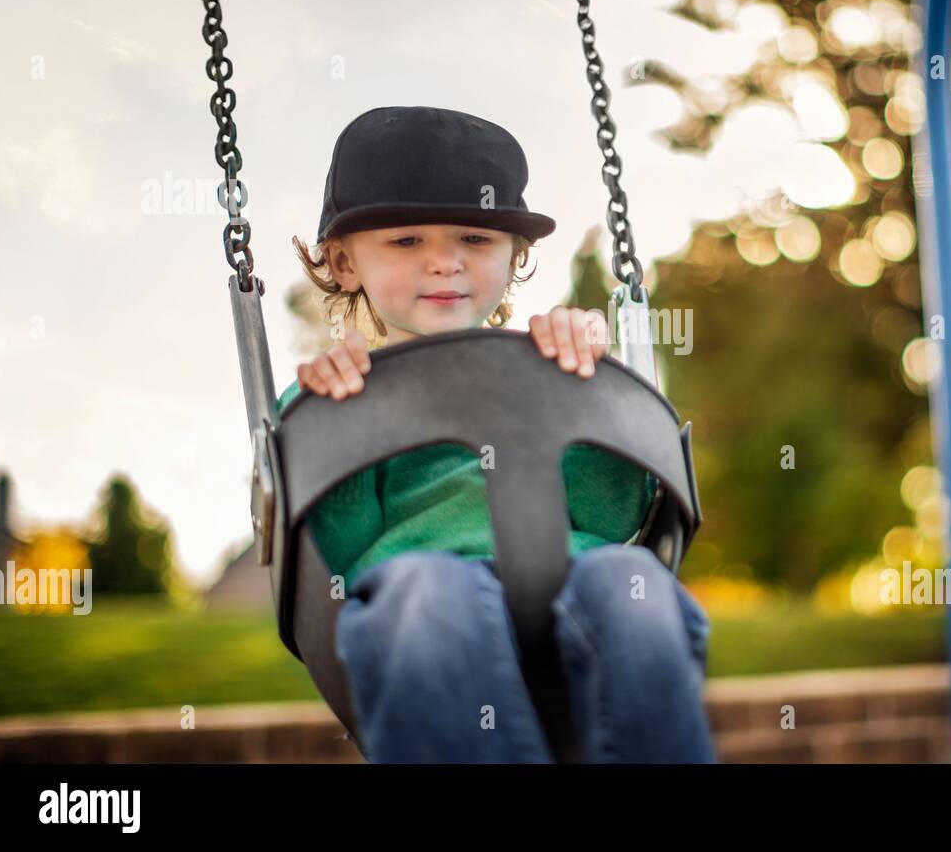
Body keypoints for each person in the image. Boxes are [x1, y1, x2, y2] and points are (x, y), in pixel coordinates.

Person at [273, 106, 716, 763]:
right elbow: (334, 559)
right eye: (406, 242)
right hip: (420, 605)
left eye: (475, 240)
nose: (444, 264)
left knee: (632, 582)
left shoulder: (549, 362)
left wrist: (588, 385)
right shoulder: (332, 389)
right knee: (429, 596)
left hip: (572, 579)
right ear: (342, 263)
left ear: (514, 260)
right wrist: (331, 415)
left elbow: (611, 515)